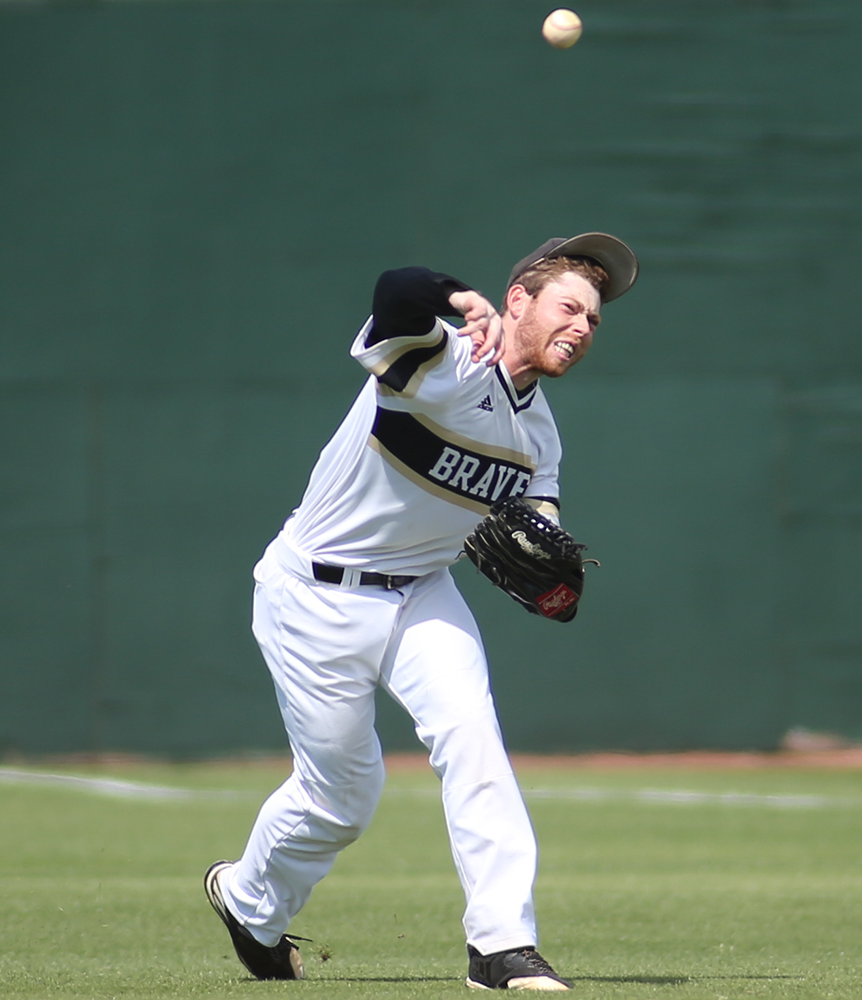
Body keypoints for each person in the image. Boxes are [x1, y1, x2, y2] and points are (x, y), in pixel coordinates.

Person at [203, 234, 638, 991]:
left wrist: (552, 571)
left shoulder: (540, 438)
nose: (583, 326)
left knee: (474, 743)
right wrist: (456, 297)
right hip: (313, 592)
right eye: (570, 305)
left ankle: (502, 946)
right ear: (518, 303)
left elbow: (538, 536)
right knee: (342, 798)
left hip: (421, 592)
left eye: (595, 320)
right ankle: (248, 900)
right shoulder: (440, 359)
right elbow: (395, 287)